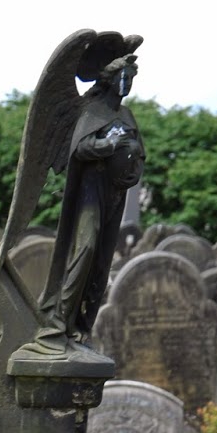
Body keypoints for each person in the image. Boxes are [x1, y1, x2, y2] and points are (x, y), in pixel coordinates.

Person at [38, 51, 144, 345]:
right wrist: (109, 144)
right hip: (90, 189)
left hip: (115, 190)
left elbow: (138, 150)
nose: (127, 84)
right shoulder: (92, 112)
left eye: (131, 79)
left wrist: (133, 167)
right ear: (110, 80)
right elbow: (80, 149)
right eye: (124, 77)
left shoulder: (126, 115)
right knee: (85, 247)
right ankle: (58, 320)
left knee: (102, 258)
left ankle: (83, 325)